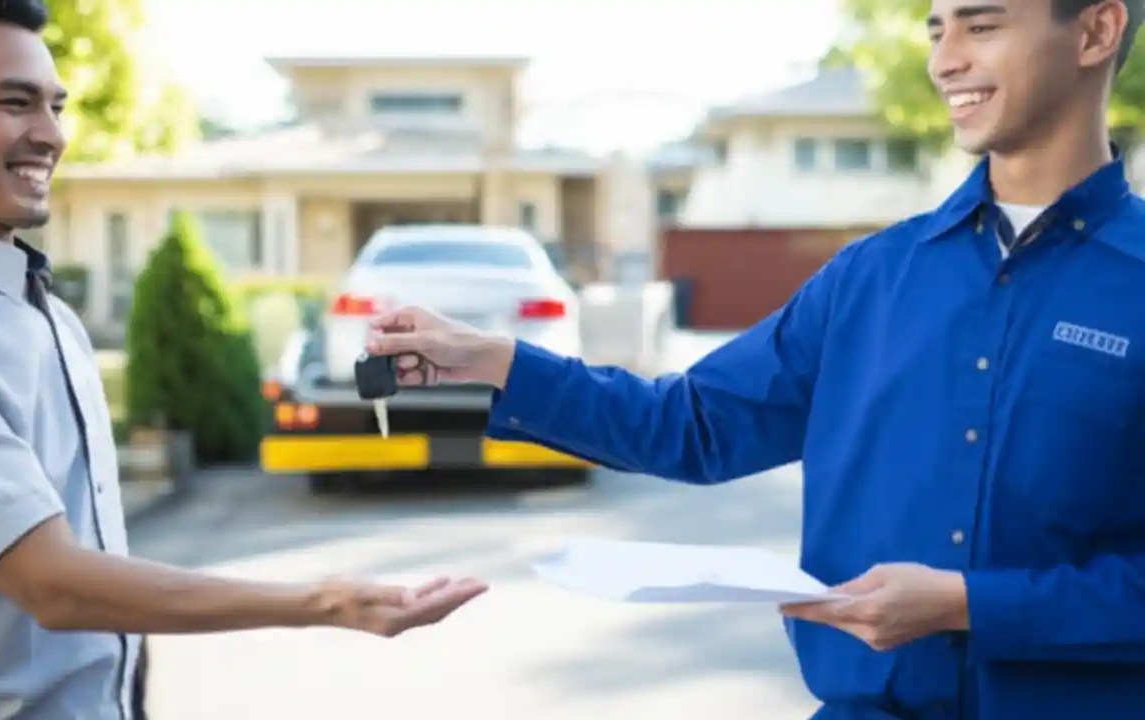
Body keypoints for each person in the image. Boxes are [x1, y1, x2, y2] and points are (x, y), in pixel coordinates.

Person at [366, 1, 1145, 718]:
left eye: (981, 26)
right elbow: (693, 425)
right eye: (936, 31)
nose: (945, 60)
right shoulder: (869, 278)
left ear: (1094, 32)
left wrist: (971, 604)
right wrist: (494, 359)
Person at [0, 2, 487, 718]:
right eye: (15, 103)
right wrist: (324, 601)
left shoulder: (43, 312)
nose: (50, 135)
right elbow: (55, 585)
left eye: (55, 107)